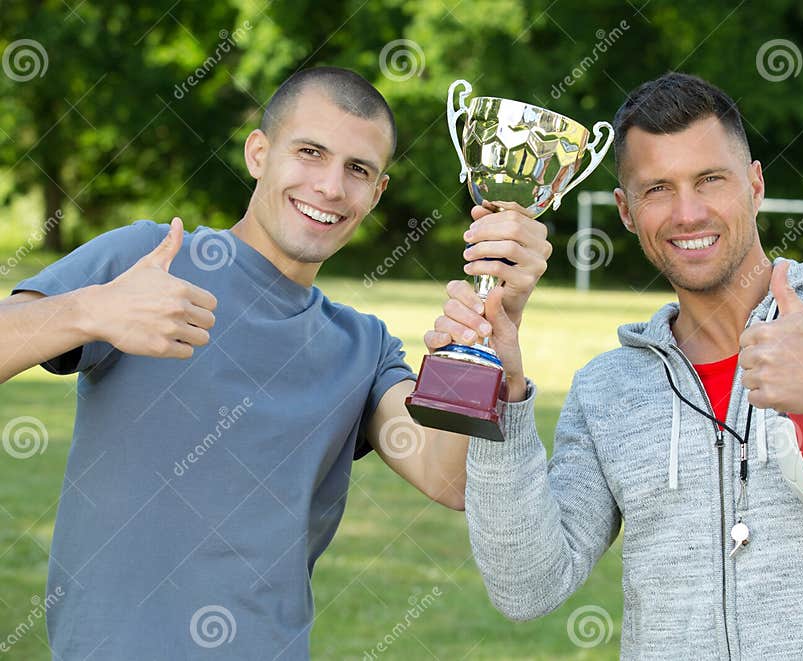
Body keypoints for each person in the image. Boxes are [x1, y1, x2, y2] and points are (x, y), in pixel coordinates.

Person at [430, 72, 803, 659]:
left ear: (755, 184)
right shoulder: (608, 389)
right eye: (658, 189)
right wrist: (505, 390)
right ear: (624, 211)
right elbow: (527, 587)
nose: (688, 212)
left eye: (710, 180)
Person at [0, 66, 550, 660]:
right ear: (259, 153)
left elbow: (450, 480)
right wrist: (90, 311)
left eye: (357, 170)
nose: (331, 187)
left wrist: (492, 332)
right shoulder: (148, 258)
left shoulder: (361, 349)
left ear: (377, 192)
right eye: (310, 153)